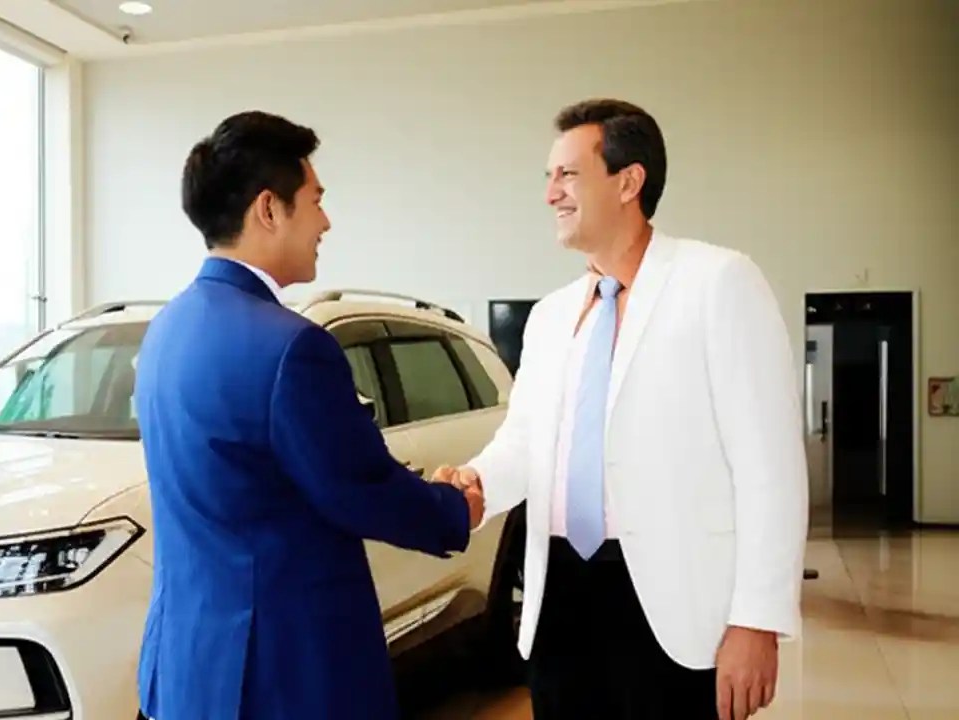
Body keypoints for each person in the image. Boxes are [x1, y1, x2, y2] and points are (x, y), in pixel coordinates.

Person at [435, 98, 808, 720]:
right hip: (560, 595)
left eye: (568, 175)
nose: (551, 193)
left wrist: (757, 620)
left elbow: (770, 466)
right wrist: (476, 482)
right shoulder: (552, 316)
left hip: (671, 602)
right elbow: (526, 440)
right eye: (548, 178)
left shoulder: (717, 282)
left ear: (628, 181)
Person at [133, 110, 483, 720]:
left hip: (189, 664)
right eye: (315, 200)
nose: (326, 220)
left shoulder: (165, 329)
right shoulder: (292, 346)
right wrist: (456, 508)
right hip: (283, 673)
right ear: (269, 210)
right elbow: (356, 487)